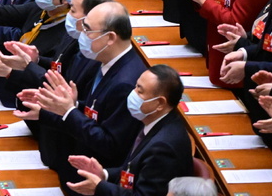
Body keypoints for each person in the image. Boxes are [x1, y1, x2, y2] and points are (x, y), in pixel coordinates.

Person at [65, 66, 192, 195]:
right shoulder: (155, 121)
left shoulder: (163, 148)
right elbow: (134, 169)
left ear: (160, 103)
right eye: (136, 86)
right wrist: (104, 174)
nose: (133, 93)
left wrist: (99, 187)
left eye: (140, 91)